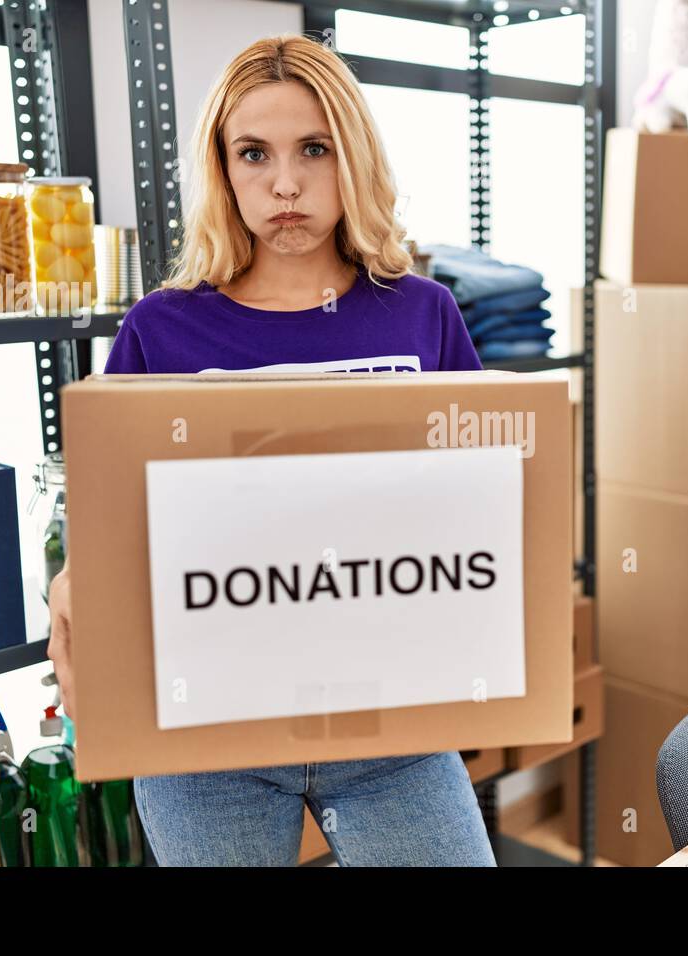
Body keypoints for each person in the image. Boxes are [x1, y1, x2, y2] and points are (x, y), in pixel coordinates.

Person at [46, 34, 494, 866]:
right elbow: (108, 527)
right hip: (209, 737)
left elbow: (484, 507)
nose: (284, 184)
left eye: (313, 150)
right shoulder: (158, 329)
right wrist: (80, 579)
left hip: (389, 724)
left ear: (350, 158)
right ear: (223, 167)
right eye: (254, 153)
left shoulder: (423, 314)